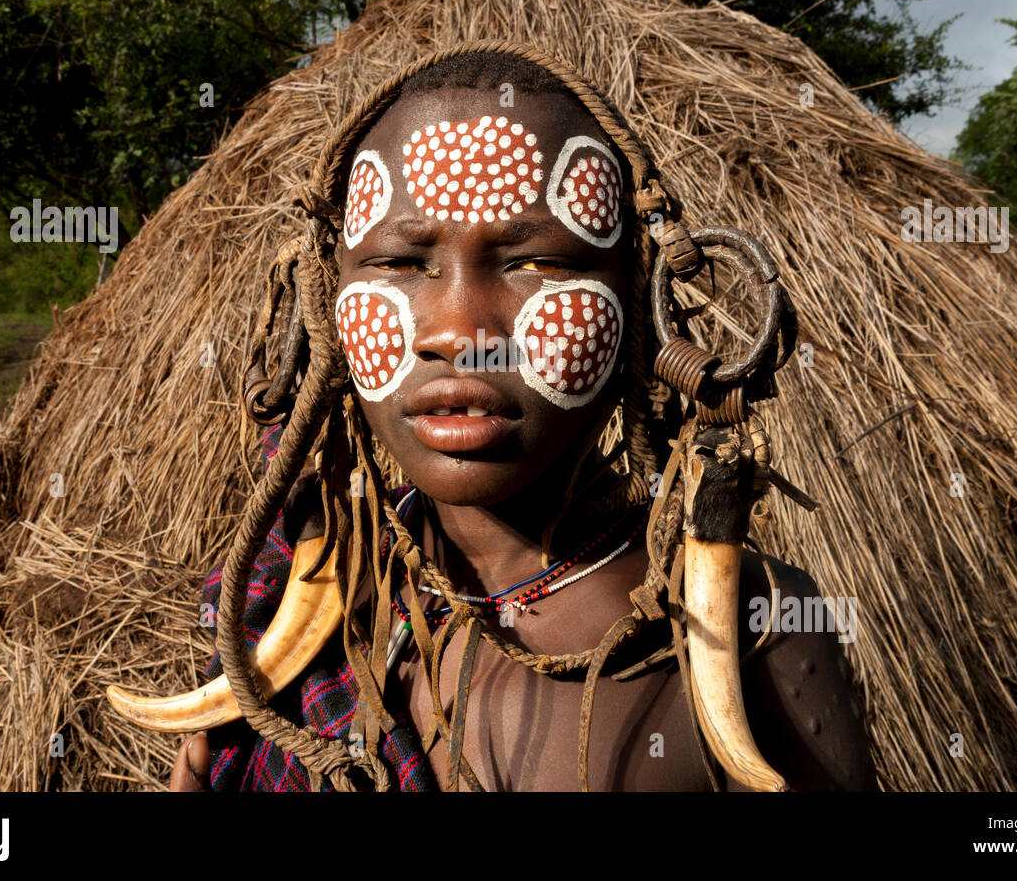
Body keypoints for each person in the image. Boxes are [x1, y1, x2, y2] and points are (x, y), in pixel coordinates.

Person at [168, 47, 876, 791]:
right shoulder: (297, 601)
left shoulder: (747, 625)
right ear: (324, 303)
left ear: (638, 303)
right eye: (402, 265)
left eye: (535, 263)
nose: (458, 330)